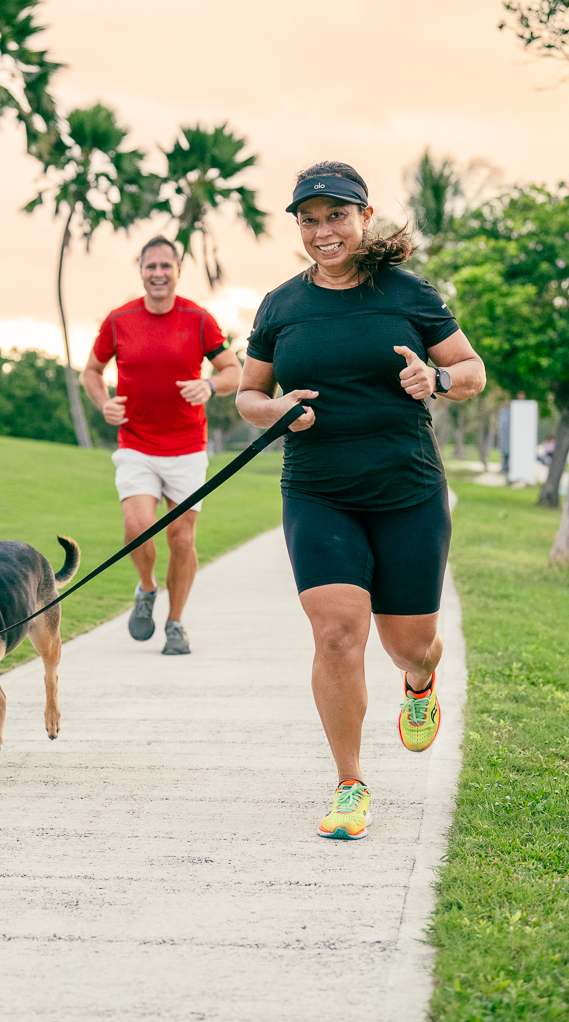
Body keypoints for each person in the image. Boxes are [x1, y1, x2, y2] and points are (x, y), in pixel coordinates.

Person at [236, 161, 486, 840]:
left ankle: (420, 680)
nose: (323, 231)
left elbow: (472, 370)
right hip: (319, 492)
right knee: (337, 633)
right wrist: (277, 409)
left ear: (363, 218)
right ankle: (350, 784)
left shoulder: (406, 292)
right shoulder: (282, 305)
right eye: (310, 219)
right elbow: (247, 394)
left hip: (406, 491)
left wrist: (434, 377)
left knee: (410, 645)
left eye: (336, 216)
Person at [83, 236, 241, 655]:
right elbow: (91, 372)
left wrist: (209, 385)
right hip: (136, 443)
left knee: (182, 539)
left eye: (165, 266)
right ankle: (148, 588)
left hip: (188, 447)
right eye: (150, 266)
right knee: (137, 530)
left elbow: (232, 370)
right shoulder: (118, 320)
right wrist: (104, 405)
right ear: (141, 270)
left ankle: (175, 623)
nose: (158, 274)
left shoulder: (198, 318)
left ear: (177, 270)